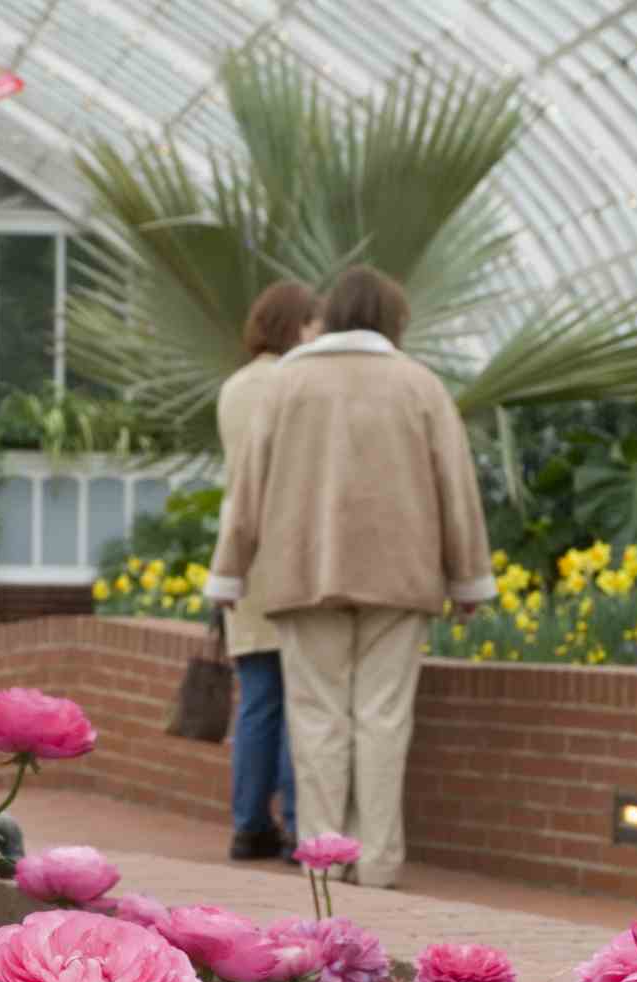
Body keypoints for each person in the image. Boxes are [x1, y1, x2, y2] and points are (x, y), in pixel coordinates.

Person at [204, 267, 493, 889]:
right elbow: (457, 489)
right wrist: (469, 578)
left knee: (315, 719)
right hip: (402, 578)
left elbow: (246, 488)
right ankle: (380, 863)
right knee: (385, 719)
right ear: (394, 320)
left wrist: (229, 573)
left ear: (330, 315)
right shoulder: (420, 385)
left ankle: (325, 863)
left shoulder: (288, 383)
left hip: (302, 575)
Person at [216, 280, 321, 862]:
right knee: (298, 697)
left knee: (258, 698)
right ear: (296, 325)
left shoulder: (234, 388)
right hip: (288, 555)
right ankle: (298, 826)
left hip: (240, 556)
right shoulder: (293, 383)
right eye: (312, 322)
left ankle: (247, 823)